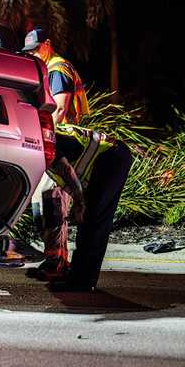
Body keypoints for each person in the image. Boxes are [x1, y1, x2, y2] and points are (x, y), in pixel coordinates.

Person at [22, 28, 90, 279]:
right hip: (57, 142)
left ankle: (56, 263)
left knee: (50, 199)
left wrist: (41, 136)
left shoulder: (58, 69)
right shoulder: (49, 68)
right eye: (30, 52)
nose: (34, 55)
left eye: (36, 49)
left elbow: (59, 109)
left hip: (60, 140)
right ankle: (56, 259)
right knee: (45, 202)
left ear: (47, 44)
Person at [41, 124, 134, 292]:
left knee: (92, 220)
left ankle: (80, 281)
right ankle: (83, 277)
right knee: (95, 221)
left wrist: (79, 202)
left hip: (110, 158)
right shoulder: (44, 134)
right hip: (114, 156)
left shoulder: (42, 140)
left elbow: (66, 169)